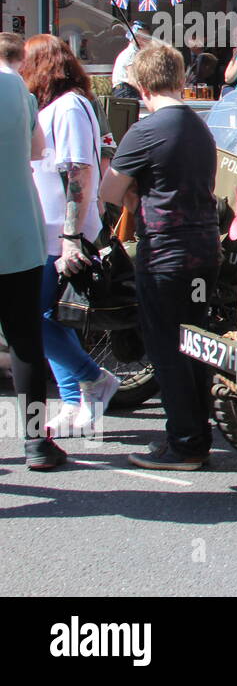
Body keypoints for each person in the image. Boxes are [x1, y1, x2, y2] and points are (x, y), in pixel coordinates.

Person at [100, 39, 221, 471]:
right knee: (195, 343)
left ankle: (184, 445)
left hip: (166, 251)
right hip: (204, 249)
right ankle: (197, 436)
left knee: (167, 347)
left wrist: (133, 195)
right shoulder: (198, 126)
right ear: (180, 78)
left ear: (139, 83)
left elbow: (108, 191)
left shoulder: (145, 131)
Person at [24, 34, 120, 434]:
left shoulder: (68, 108)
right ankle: (72, 399)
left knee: (38, 318)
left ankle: (93, 378)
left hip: (59, 233)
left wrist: (70, 236)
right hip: (46, 229)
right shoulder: (60, 107)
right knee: (53, 318)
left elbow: (78, 170)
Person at [1, 61, 65, 468]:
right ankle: (35, 443)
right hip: (17, 230)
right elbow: (38, 150)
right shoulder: (16, 91)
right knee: (25, 341)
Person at [110, 25, 143, 100]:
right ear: (135, 38)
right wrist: (146, 93)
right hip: (125, 90)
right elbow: (132, 80)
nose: (145, 39)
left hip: (123, 89)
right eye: (142, 37)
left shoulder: (134, 51)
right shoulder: (131, 53)